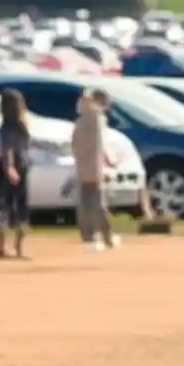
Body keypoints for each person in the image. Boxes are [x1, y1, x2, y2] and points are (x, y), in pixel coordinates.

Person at [71, 88, 118, 251]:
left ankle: (88, 236)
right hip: (94, 166)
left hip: (83, 165)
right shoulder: (97, 118)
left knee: (85, 202)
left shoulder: (81, 119)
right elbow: (100, 143)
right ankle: (106, 236)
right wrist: (106, 161)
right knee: (98, 203)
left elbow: (76, 143)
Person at [0, 88, 31, 259]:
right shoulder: (16, 126)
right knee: (20, 206)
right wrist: (10, 167)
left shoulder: (6, 125)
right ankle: (18, 248)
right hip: (18, 167)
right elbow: (8, 148)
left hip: (14, 166)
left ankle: (2, 247)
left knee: (6, 205)